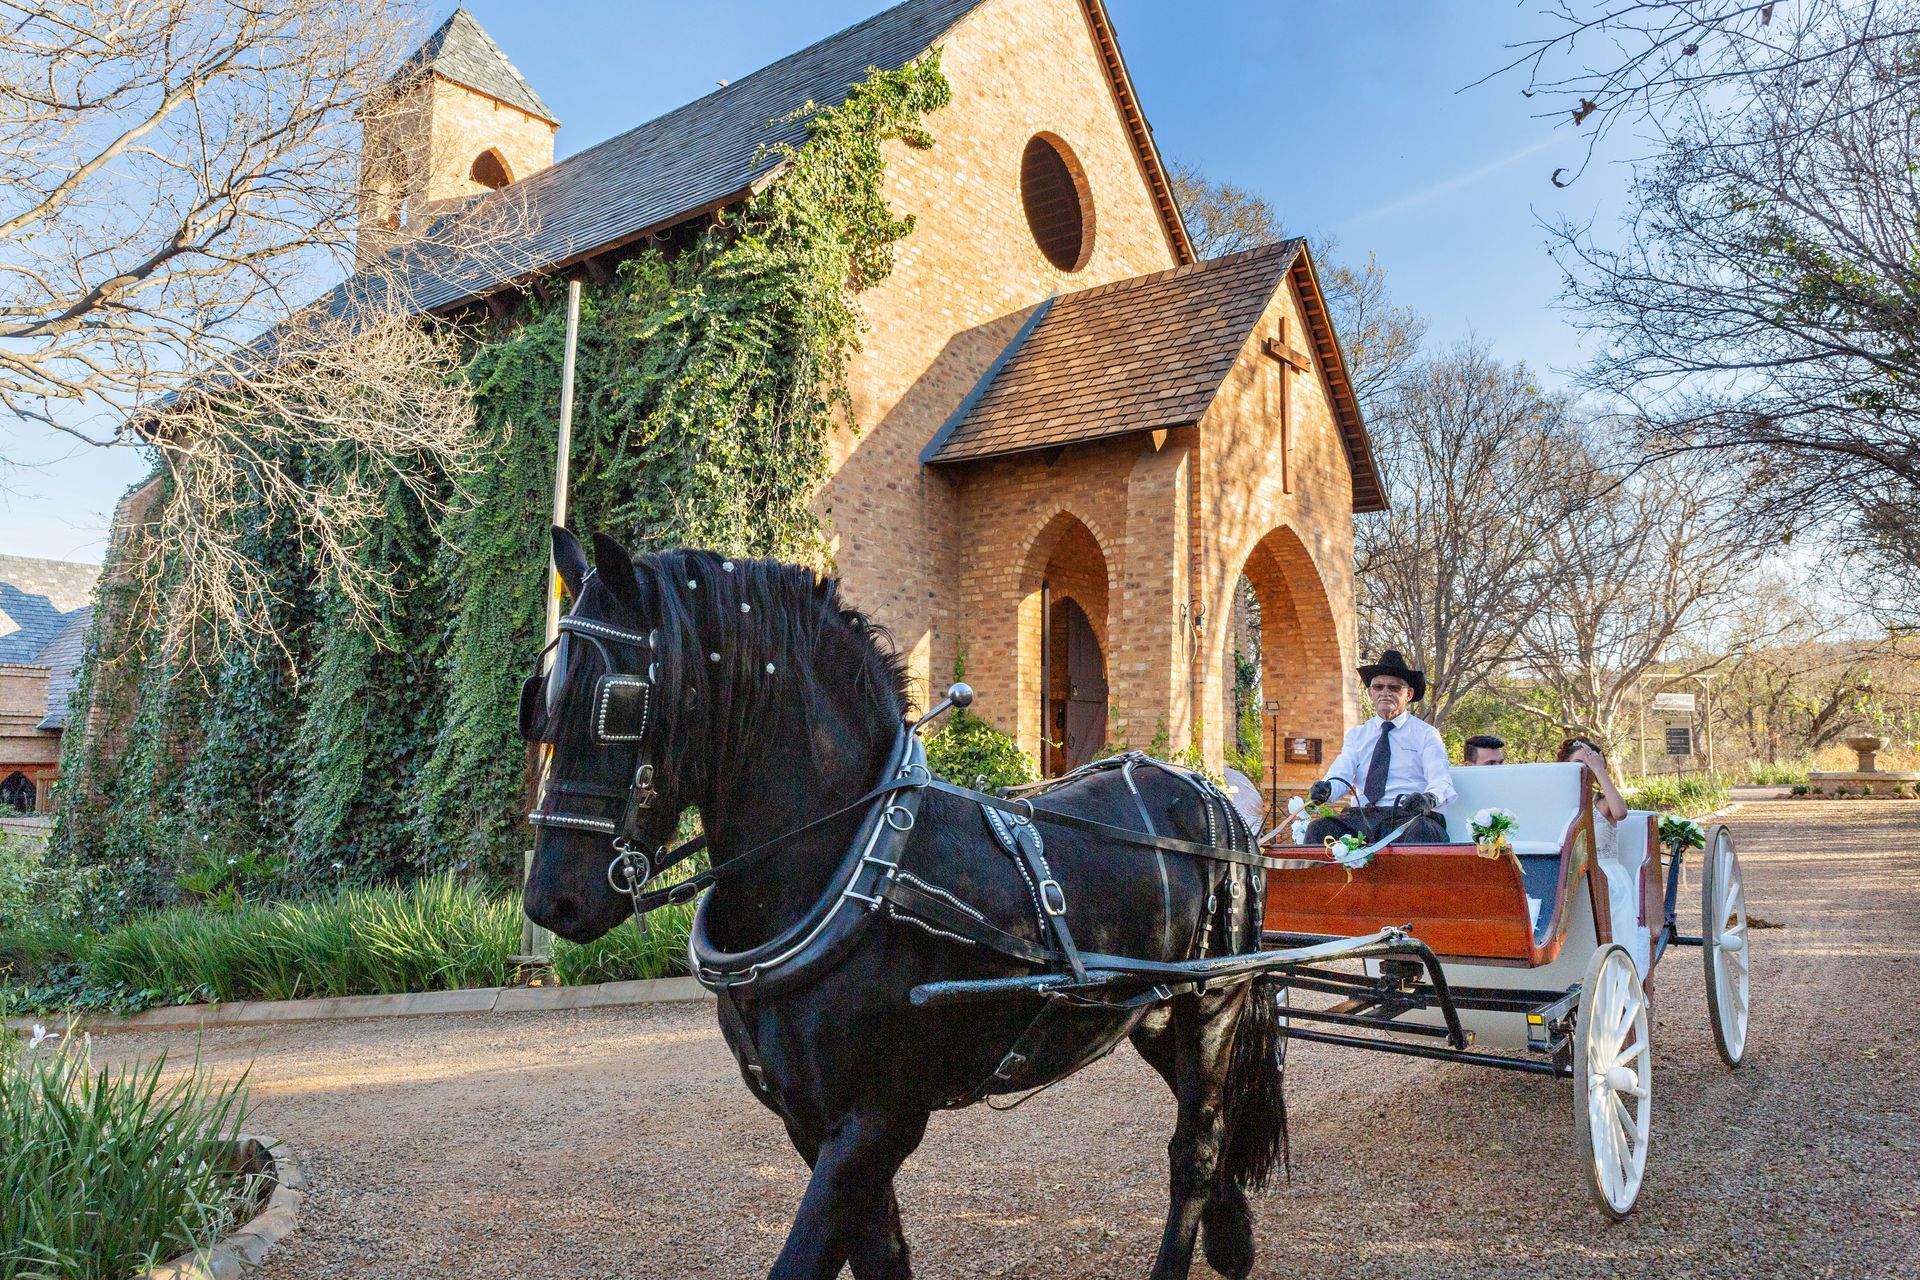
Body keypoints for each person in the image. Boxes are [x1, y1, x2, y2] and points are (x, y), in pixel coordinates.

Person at [1303, 650, 1455, 847]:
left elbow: (1441, 779)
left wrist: (1429, 799)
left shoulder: (1425, 734)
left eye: (1394, 687)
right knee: (1319, 829)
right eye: (1378, 686)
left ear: (1408, 694)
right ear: (1370, 693)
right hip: (1363, 817)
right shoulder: (1357, 735)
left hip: (1408, 817)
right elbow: (1341, 774)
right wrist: (1327, 788)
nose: (1385, 692)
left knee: (1423, 831)